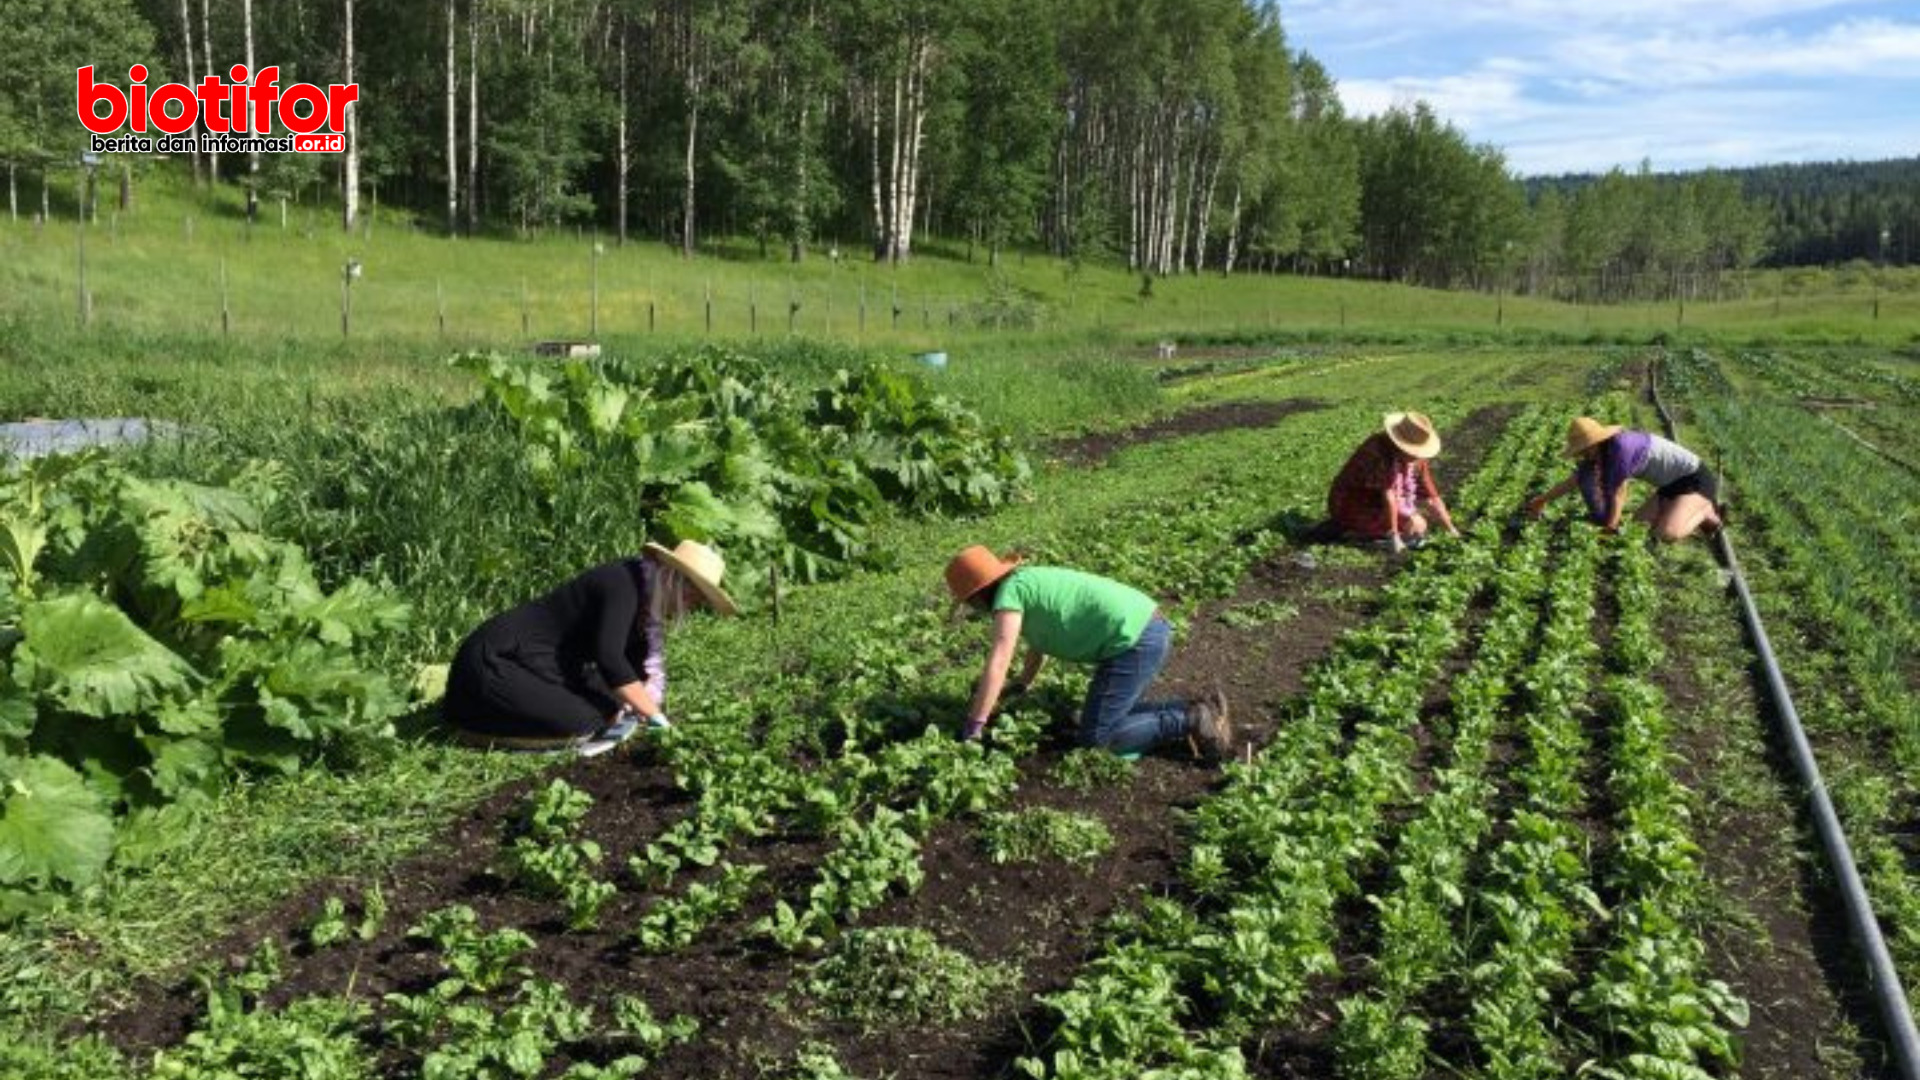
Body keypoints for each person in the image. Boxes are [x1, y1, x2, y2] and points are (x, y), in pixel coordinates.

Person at [443, 540, 737, 753]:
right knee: (584, 720)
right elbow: (609, 657)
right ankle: (479, 729)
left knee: (610, 704)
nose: (691, 606)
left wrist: (642, 702)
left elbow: (634, 664)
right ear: (675, 580)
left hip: (548, 661)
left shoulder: (647, 602)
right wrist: (658, 719)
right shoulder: (621, 583)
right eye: (693, 597)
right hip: (497, 661)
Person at [944, 545, 1234, 759]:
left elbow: (999, 660)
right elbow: (1038, 642)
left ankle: (1190, 720)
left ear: (978, 595)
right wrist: (1023, 682)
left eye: (969, 603)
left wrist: (975, 724)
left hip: (1134, 641)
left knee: (1097, 739)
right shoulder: (1025, 582)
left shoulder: (1009, 595)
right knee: (1099, 717)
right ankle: (1197, 707)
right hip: (1143, 628)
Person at [1525, 417, 1725, 543]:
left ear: (1594, 443)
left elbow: (1619, 494)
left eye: (1582, 450)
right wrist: (1543, 499)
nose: (1581, 455)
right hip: (1669, 487)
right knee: (1638, 527)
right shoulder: (1600, 452)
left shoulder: (1620, 449)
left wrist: (1610, 528)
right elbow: (1575, 480)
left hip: (1694, 481)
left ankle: (1706, 512)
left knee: (1666, 533)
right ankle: (1675, 506)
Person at [1326, 411, 1462, 551]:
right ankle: (1355, 534)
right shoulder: (1377, 450)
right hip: (1352, 502)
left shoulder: (1417, 459)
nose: (1415, 456)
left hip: (1378, 502)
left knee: (1419, 525)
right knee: (1413, 525)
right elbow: (1389, 494)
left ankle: (1370, 533)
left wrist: (1451, 529)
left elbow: (1431, 495)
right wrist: (1394, 535)